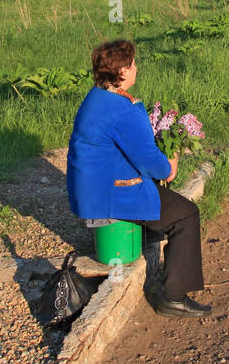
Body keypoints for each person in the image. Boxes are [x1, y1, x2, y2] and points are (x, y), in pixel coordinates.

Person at [66, 38, 211, 318]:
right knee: (186, 214)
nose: (136, 68)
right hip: (109, 195)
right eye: (132, 64)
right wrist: (171, 163)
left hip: (90, 190)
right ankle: (173, 297)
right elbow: (151, 163)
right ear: (121, 72)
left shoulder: (97, 97)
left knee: (162, 203)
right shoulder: (123, 109)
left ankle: (147, 232)